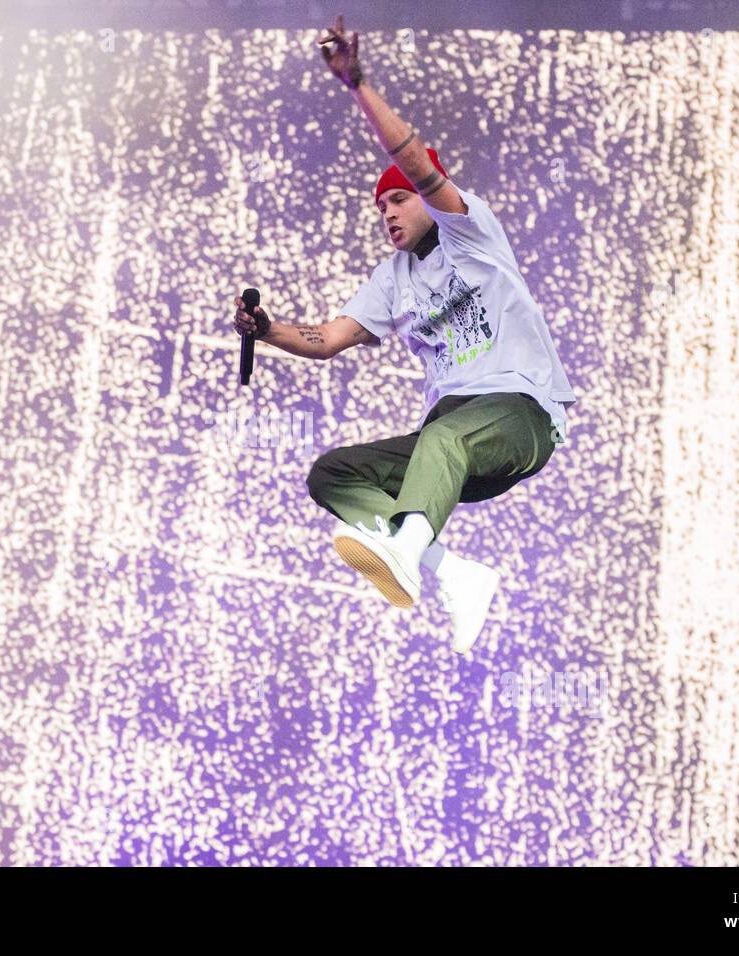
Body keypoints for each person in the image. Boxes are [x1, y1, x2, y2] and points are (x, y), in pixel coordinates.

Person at [232, 14, 576, 654]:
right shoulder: (393, 278)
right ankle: (453, 572)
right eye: (380, 206)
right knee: (333, 474)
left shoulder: (471, 234)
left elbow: (413, 159)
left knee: (442, 435)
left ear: (426, 197)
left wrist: (357, 84)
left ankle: (408, 551)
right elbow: (327, 340)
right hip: (452, 450)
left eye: (398, 200)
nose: (388, 213)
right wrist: (268, 327)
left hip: (519, 418)